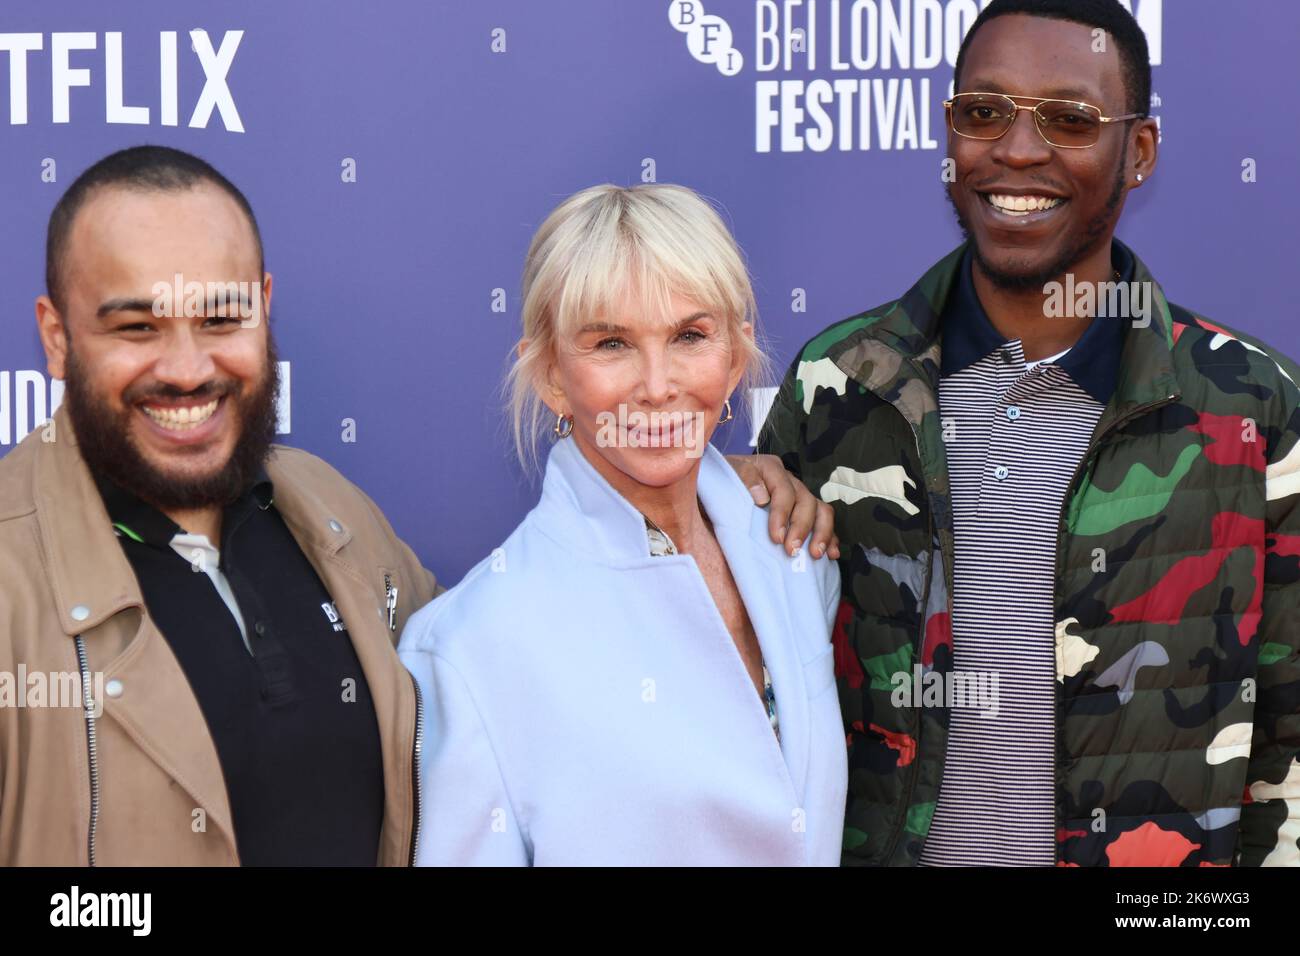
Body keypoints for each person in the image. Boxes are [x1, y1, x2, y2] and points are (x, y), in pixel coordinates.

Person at [759, 0, 1300, 866]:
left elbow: (1289, 751)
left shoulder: (1254, 409)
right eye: (983, 112)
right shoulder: (839, 387)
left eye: (1070, 120)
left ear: (1142, 151)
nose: (1016, 150)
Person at [0, 146, 442, 865]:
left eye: (220, 320)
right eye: (137, 327)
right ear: (57, 338)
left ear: (264, 309)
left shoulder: (336, 513)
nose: (186, 370)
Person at [398, 183, 846, 865]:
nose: (658, 384)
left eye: (690, 336)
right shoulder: (473, 646)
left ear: (734, 357)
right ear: (551, 375)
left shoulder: (795, 553)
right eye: (612, 342)